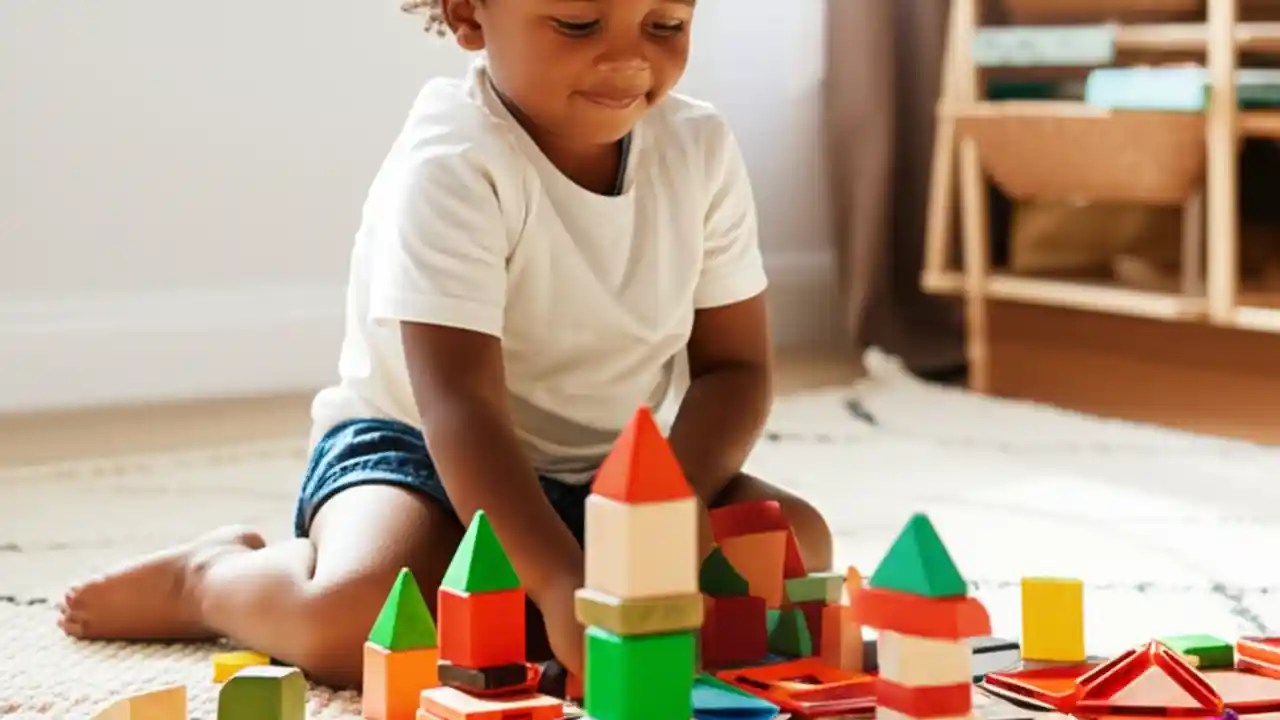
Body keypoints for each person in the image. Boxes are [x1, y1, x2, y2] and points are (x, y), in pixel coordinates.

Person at [57, 0, 834, 689]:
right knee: (355, 621)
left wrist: (666, 508)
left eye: (666, 24)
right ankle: (209, 578)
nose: (630, 56)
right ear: (469, 15)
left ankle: (538, 605)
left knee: (792, 547)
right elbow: (460, 407)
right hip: (423, 453)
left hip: (614, 471)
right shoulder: (455, 161)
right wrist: (565, 581)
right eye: (577, 23)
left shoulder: (699, 148)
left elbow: (735, 369)